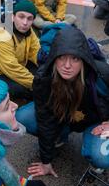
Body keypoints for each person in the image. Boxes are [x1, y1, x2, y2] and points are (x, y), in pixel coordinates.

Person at [16, 27, 109, 177]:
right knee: (24, 117)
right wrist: (46, 161)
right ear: (54, 57)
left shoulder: (101, 73)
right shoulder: (43, 78)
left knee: (101, 156)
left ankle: (93, 154)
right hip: (64, 117)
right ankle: (59, 136)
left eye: (75, 58)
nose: (67, 65)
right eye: (61, 57)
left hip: (95, 122)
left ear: (84, 59)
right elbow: (45, 119)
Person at [0, 0, 40, 101]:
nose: (25, 23)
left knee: (41, 74)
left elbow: (35, 51)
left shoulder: (29, 31)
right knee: (22, 89)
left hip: (16, 64)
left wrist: (47, 66)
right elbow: (12, 68)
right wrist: (37, 84)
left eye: (29, 19)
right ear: (12, 16)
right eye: (21, 16)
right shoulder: (2, 36)